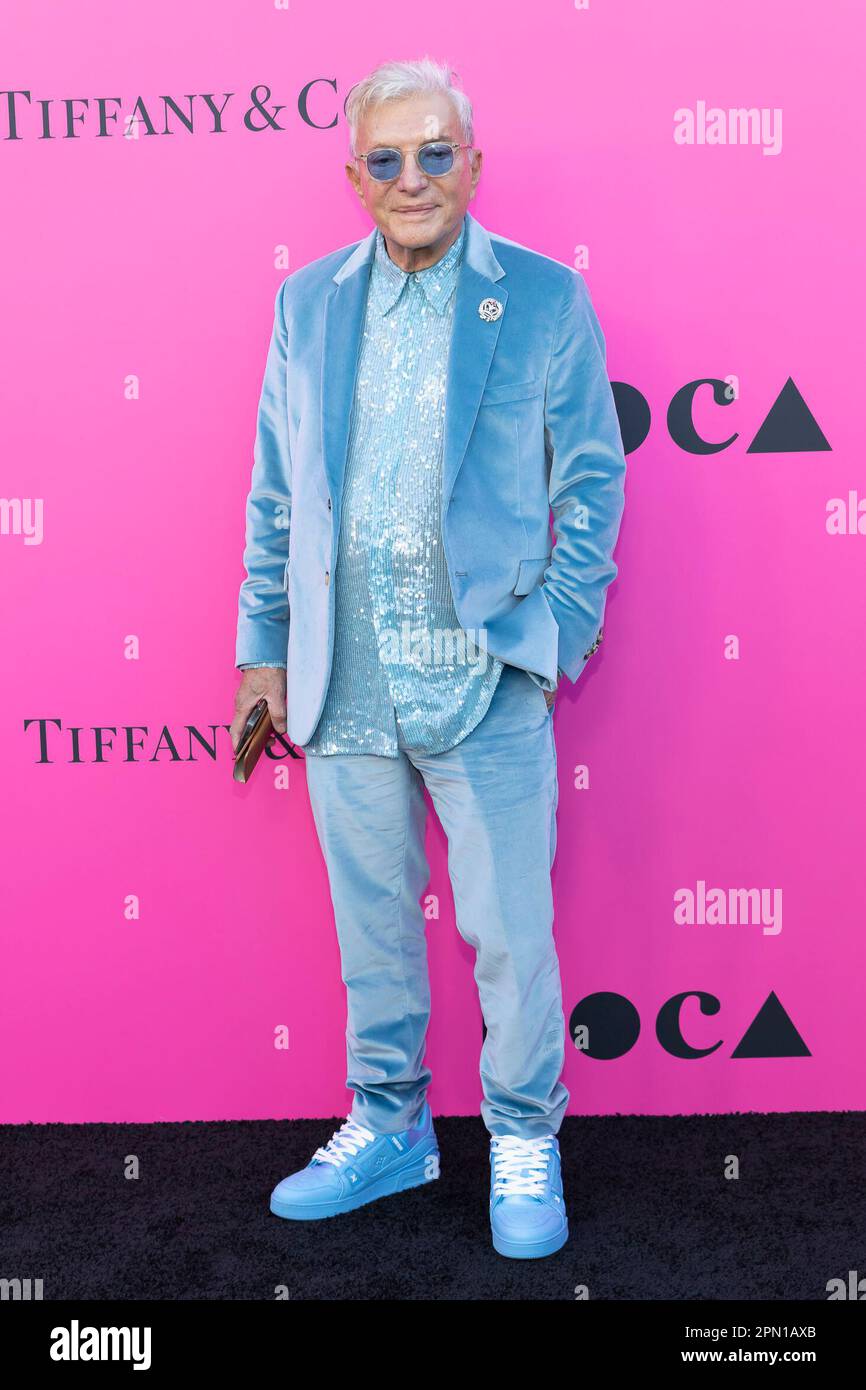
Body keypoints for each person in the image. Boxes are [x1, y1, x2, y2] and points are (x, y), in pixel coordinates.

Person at [230, 56, 626, 1260]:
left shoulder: (546, 301)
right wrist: (263, 647)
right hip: (341, 674)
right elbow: (274, 496)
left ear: (470, 162)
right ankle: (389, 1124)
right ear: (355, 176)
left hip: (483, 675)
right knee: (375, 931)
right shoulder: (305, 307)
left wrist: (551, 630)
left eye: (433, 152)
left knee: (508, 931)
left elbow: (591, 479)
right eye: (387, 159)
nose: (413, 178)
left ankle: (521, 1134)